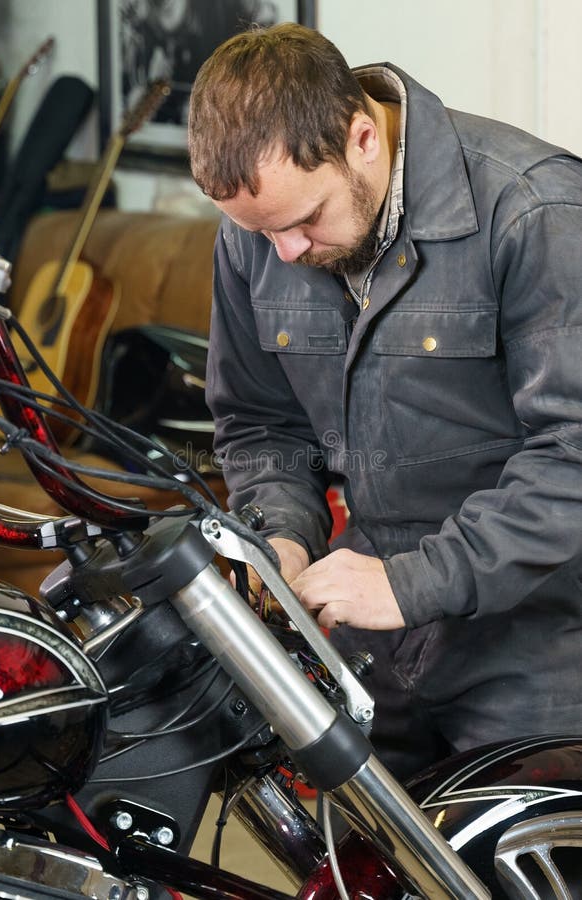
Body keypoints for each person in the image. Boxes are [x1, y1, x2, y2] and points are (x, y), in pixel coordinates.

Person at [187, 23, 582, 780]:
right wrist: (281, 540)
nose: (287, 253)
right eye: (262, 231)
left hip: (541, 637)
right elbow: (261, 422)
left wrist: (409, 583)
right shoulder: (259, 234)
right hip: (374, 634)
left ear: (362, 137)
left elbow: (572, 455)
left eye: (306, 220)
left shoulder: (535, 211)